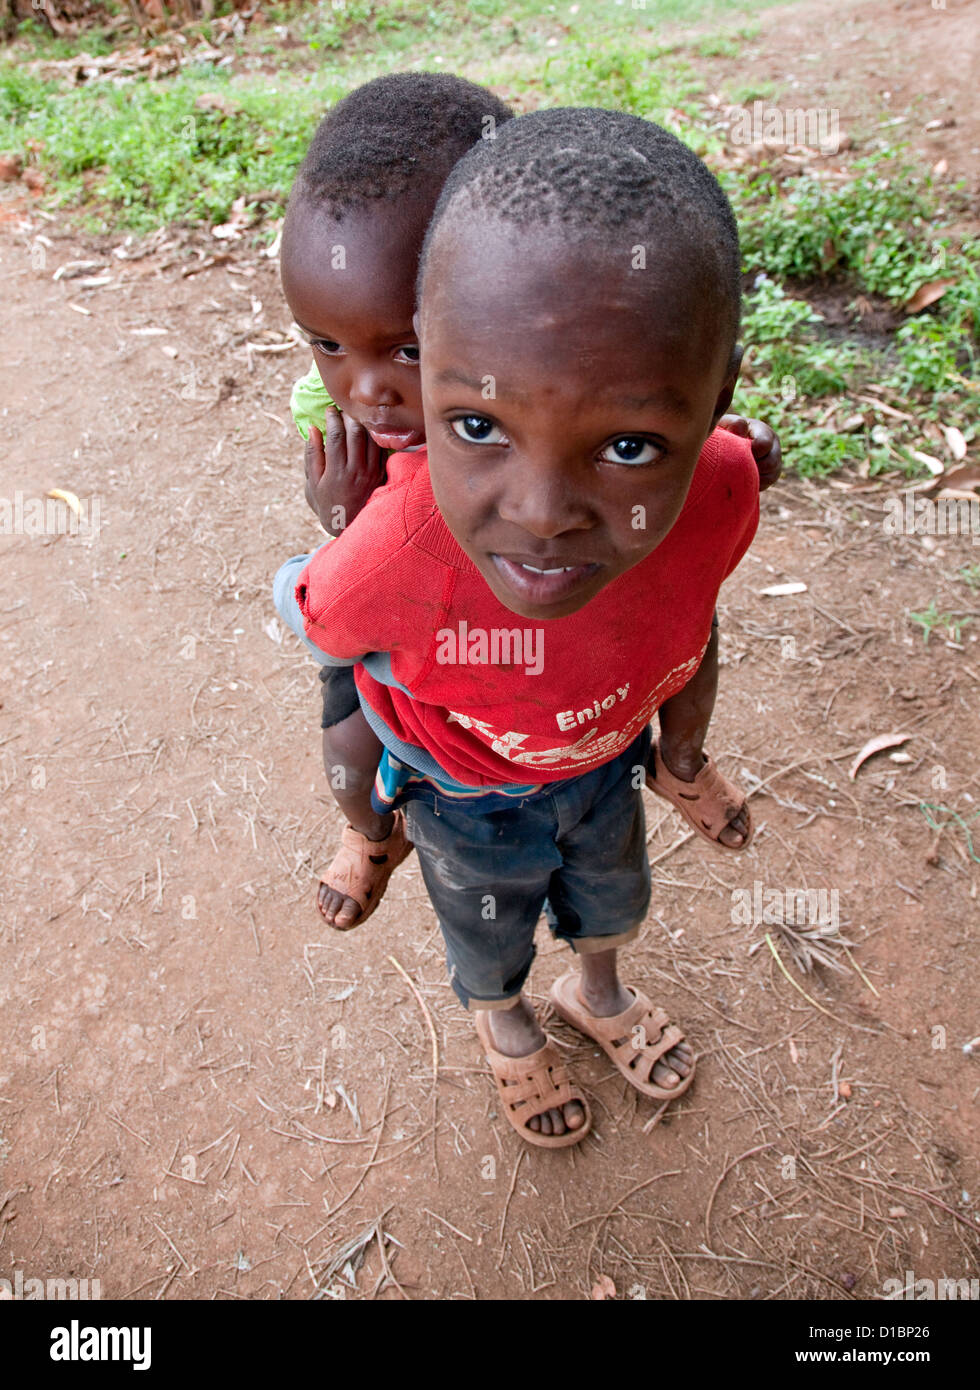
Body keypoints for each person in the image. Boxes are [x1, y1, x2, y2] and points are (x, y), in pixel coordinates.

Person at [281, 106, 766, 1148]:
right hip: (464, 795)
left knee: (610, 901)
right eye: (476, 426)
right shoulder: (400, 540)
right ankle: (504, 1028)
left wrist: (670, 745)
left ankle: (598, 991)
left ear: (716, 403)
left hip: (606, 764)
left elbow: (699, 591)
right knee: (487, 935)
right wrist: (345, 530)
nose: (541, 511)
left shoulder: (722, 482)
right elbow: (320, 612)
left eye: (628, 444)